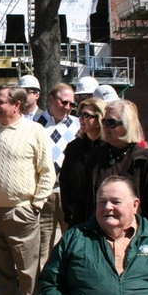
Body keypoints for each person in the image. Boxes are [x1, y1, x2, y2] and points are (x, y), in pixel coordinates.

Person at [0, 86, 55, 295]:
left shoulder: (35, 131)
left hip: (22, 212)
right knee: (2, 271)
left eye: (1, 102)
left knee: (28, 273)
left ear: (17, 105)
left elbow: (47, 172)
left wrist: (35, 206)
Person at [76, 99, 148, 227]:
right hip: (96, 235)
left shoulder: (145, 160)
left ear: (126, 125)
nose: (105, 127)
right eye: (103, 121)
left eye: (111, 122)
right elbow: (81, 201)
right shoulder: (95, 156)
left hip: (134, 237)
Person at [36, 83, 80, 271]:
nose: (68, 107)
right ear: (51, 100)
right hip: (45, 192)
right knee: (42, 244)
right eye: (64, 102)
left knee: (72, 240)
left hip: (70, 193)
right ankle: (41, 290)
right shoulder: (35, 125)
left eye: (71, 104)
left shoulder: (78, 125)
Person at [59, 97, 105, 228]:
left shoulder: (108, 149)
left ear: (99, 119)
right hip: (77, 217)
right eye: (80, 114)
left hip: (102, 215)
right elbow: (65, 180)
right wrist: (69, 211)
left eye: (86, 115)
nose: (81, 119)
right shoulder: (73, 147)